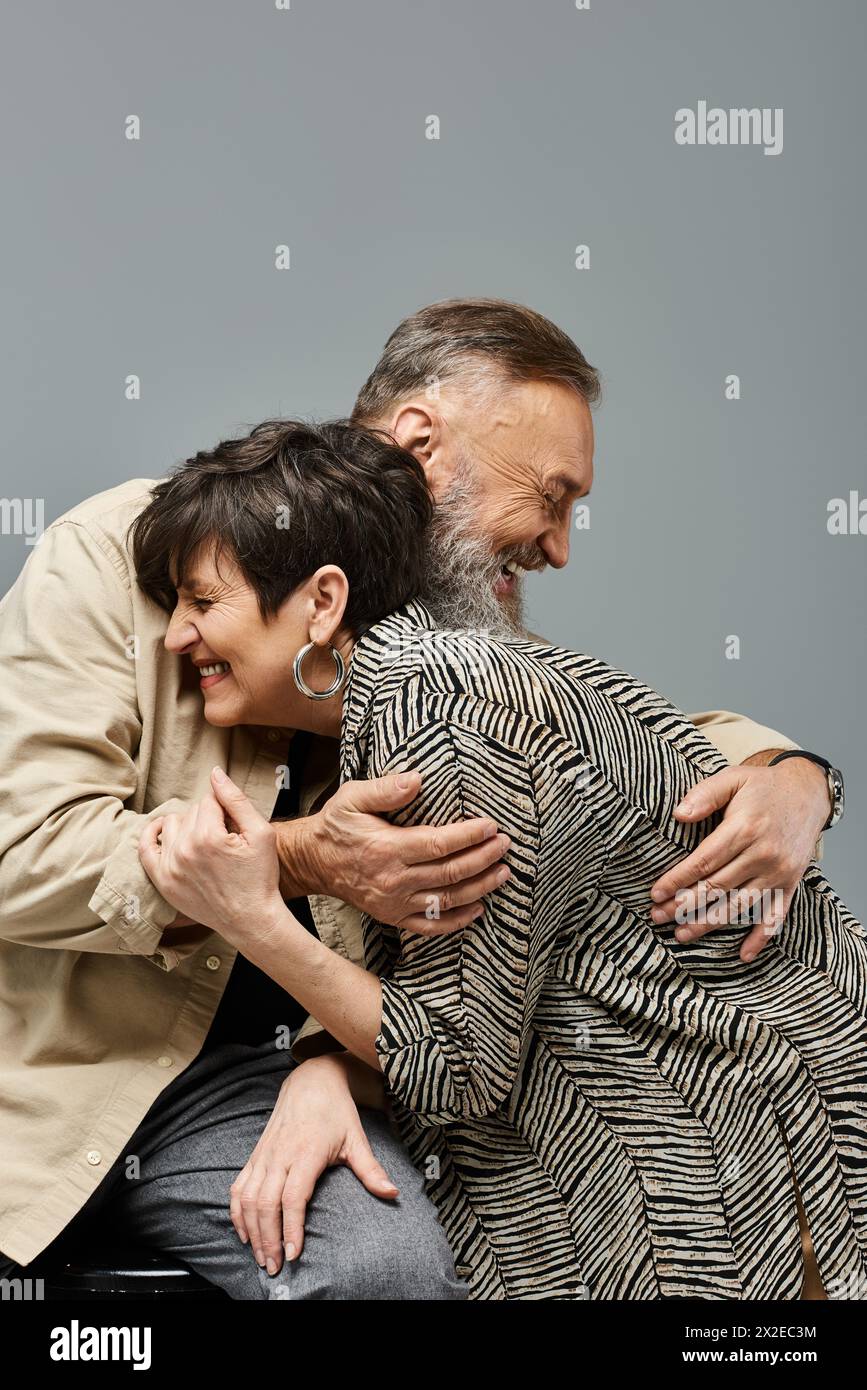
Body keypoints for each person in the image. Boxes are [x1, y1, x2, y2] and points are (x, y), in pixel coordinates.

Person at [0, 301, 836, 1296]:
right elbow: (22, 849)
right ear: (421, 444)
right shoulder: (120, 548)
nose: (561, 547)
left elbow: (599, 734)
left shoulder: (446, 636)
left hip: (270, 1080)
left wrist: (796, 776)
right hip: (46, 1066)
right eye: (552, 494)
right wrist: (296, 856)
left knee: (390, 1269)